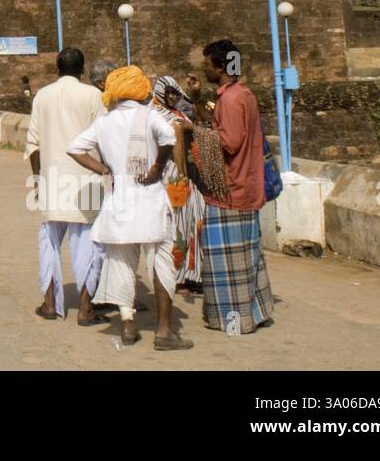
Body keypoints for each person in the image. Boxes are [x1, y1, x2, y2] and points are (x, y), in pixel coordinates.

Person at [68, 66, 193, 350]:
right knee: (160, 264)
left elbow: (74, 148)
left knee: (122, 265)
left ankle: (127, 326)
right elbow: (170, 139)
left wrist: (103, 168)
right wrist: (157, 167)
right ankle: (163, 332)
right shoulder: (150, 115)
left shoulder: (105, 122)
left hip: (118, 203)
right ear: (139, 88)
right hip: (149, 200)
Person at [25, 47, 107, 324]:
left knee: (48, 242)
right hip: (86, 181)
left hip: (52, 180)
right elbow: (105, 139)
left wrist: (37, 181)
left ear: (57, 69)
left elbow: (33, 144)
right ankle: (85, 309)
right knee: (88, 245)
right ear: (83, 69)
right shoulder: (93, 95)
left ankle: (49, 304)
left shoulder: (43, 96)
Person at [198, 38, 274, 334]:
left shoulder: (230, 99)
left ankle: (235, 320)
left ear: (219, 66)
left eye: (207, 64)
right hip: (246, 186)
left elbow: (229, 141)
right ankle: (255, 312)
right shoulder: (243, 94)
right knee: (248, 256)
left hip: (230, 189)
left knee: (227, 260)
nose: (204, 69)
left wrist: (196, 131)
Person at [153, 75, 204, 293]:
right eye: (169, 93)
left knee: (195, 219)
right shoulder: (157, 114)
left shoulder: (179, 113)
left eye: (175, 93)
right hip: (173, 175)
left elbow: (200, 124)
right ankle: (177, 276)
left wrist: (195, 95)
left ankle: (194, 273)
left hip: (187, 176)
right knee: (178, 226)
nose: (172, 97)